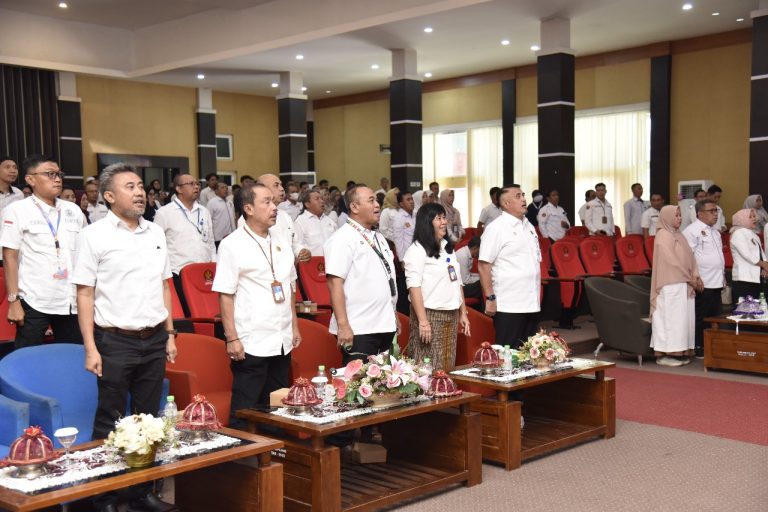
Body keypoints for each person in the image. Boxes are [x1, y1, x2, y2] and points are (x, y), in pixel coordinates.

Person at [73, 162, 177, 512]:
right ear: (109, 195)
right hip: (114, 340)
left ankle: (141, 493)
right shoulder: (94, 235)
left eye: (140, 186)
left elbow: (165, 287)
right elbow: (84, 294)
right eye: (129, 186)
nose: (139, 192)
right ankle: (102, 497)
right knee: (111, 418)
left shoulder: (156, 233)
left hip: (154, 339)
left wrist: (170, 333)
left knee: (149, 421)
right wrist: (90, 347)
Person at [213, 183, 300, 429]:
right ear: (248, 208)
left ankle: (275, 454)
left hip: (281, 336)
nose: (274, 207)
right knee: (246, 406)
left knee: (276, 403)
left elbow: (289, 286)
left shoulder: (280, 239)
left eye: (274, 202)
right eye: (267, 202)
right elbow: (225, 295)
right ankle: (243, 459)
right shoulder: (232, 244)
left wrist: (294, 325)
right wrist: (232, 338)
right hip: (252, 338)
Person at [1, 154, 86, 348]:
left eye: (58, 174)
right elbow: (10, 257)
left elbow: (85, 253)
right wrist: (13, 301)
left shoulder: (73, 210)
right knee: (27, 360)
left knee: (72, 358)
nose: (57, 178)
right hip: (35, 300)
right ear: (30, 180)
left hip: (70, 300)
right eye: (49, 174)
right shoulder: (17, 211)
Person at [324, 185, 398, 364]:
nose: (377, 205)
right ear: (354, 207)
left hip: (384, 324)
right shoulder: (342, 238)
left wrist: (392, 313)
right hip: (359, 328)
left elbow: (386, 279)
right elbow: (335, 284)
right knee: (358, 388)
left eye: (377, 200)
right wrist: (343, 326)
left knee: (384, 388)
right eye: (371, 200)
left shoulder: (379, 237)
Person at [403, 202, 470, 371]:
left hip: (451, 314)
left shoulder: (447, 248)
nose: (444, 222)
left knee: (447, 363)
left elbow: (457, 281)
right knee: (427, 366)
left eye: (444, 218)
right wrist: (423, 322)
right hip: (430, 315)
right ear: (427, 223)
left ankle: (446, 396)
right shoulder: (417, 250)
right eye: (438, 218)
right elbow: (414, 287)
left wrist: (463, 312)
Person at [479, 185, 540, 347]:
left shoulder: (529, 226)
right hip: (509, 304)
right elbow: (484, 265)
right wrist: (490, 297)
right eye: (518, 196)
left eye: (523, 195)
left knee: (529, 354)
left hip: (531, 302)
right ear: (506, 204)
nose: (524, 199)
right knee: (508, 355)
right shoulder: (496, 228)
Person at [153, 173, 216, 314]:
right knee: (189, 314)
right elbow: (156, 247)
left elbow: (211, 242)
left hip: (205, 273)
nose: (196, 187)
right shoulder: (164, 213)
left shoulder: (204, 211)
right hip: (179, 273)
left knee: (208, 312)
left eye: (197, 184)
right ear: (179, 189)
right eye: (191, 184)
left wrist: (214, 264)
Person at [650, 205, 702, 367]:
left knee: (682, 319)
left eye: (680, 215)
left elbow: (691, 258)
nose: (679, 218)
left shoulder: (679, 234)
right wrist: (690, 278)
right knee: (670, 319)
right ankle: (665, 354)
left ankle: (679, 351)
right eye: (676, 215)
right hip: (670, 284)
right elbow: (671, 261)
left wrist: (695, 275)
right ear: (667, 217)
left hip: (684, 283)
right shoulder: (662, 235)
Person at [683, 198, 725, 358]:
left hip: (717, 281)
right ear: (700, 214)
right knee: (701, 316)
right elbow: (688, 257)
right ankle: (698, 346)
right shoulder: (691, 231)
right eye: (711, 211)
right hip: (703, 281)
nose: (715, 214)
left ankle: (712, 346)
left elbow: (718, 256)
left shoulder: (715, 232)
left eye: (716, 211)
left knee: (715, 317)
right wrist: (694, 277)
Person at [255, 173, 311, 262]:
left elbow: (295, 243)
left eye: (281, 185)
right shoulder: (251, 218)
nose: (281, 189)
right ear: (263, 189)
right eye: (276, 185)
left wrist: (302, 251)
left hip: (289, 273)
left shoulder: (284, 216)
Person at [730, 208, 768, 301]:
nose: (754, 219)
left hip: (755, 277)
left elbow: (761, 253)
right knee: (744, 309)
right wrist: (763, 264)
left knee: (757, 307)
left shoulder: (754, 234)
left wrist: (765, 266)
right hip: (743, 278)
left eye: (754, 216)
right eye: (750, 217)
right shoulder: (738, 233)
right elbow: (747, 254)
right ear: (741, 219)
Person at [293, 188, 337, 256]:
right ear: (307, 204)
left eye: (321, 198)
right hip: (313, 264)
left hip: (331, 262)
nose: (322, 201)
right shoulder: (300, 222)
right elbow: (296, 246)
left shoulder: (329, 220)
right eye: (317, 199)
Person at [208, 182, 236, 247]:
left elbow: (233, 218)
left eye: (226, 188)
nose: (226, 189)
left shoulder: (229, 202)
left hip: (231, 236)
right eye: (222, 188)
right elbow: (208, 220)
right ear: (216, 191)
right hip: (218, 237)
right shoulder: (212, 202)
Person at [455, 236, 482, 300]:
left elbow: (468, 274)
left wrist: (481, 276)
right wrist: (481, 278)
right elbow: (465, 280)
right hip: (458, 288)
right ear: (475, 248)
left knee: (483, 284)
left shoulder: (468, 253)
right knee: (481, 285)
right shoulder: (463, 256)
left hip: (461, 284)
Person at [392, 190, 416, 260]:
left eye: (412, 199)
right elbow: (398, 240)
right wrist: (402, 259)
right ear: (401, 204)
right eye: (408, 200)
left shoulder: (416, 214)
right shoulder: (398, 218)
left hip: (419, 252)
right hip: (408, 255)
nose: (411, 202)